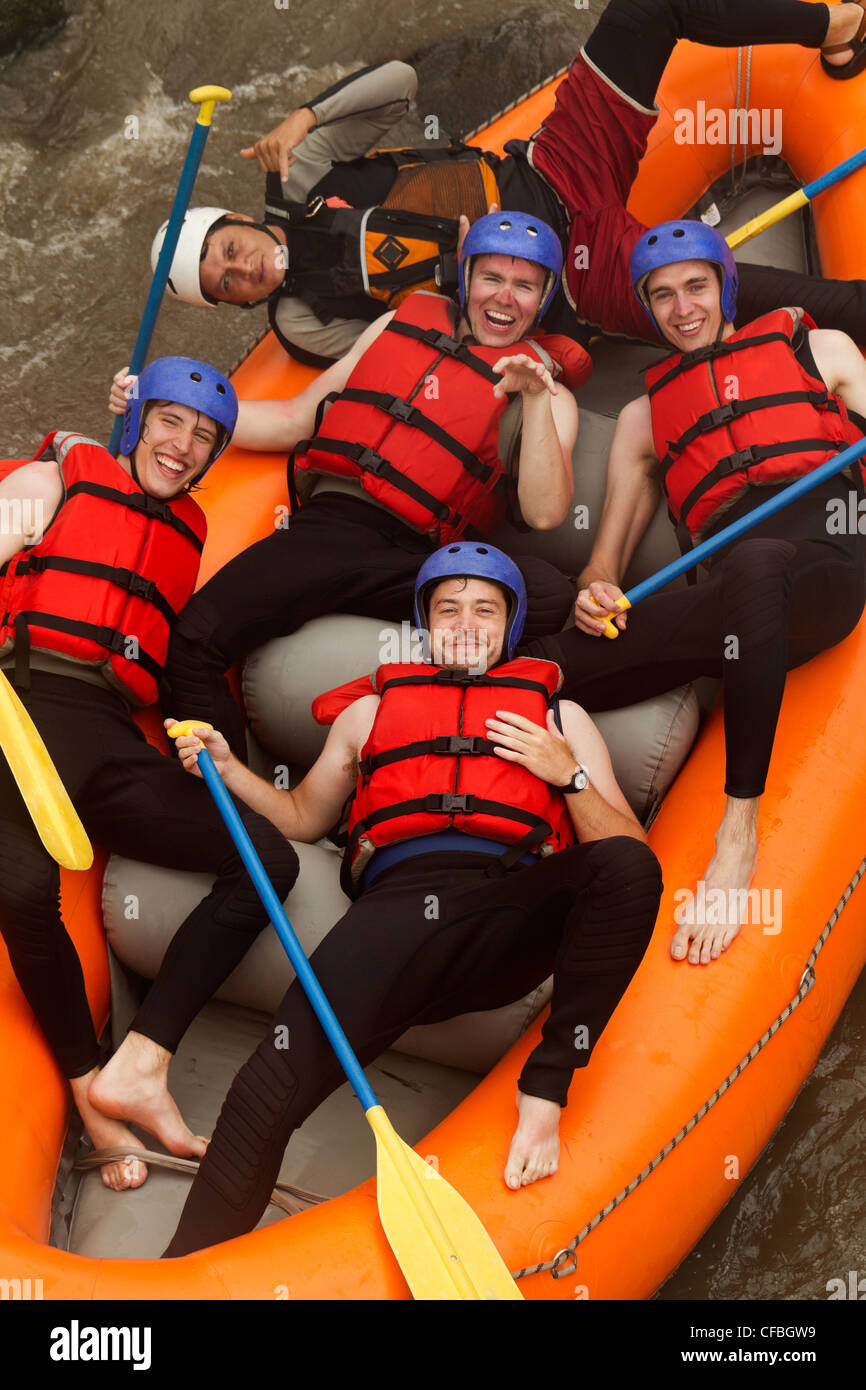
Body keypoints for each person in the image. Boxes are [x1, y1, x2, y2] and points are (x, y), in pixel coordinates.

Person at [161, 543, 663, 1255]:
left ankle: (545, 1090)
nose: (465, 622)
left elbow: (632, 857)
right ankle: (182, 1273)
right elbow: (302, 817)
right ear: (424, 623)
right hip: (395, 921)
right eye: (447, 608)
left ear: (509, 625)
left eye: (484, 609)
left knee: (624, 870)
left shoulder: (561, 718)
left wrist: (570, 775)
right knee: (265, 1090)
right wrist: (226, 766)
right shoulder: (368, 714)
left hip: (508, 912)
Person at [112, 211, 588, 760]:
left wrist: (531, 397)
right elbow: (295, 419)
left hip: (424, 561)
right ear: (466, 278)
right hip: (331, 530)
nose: (504, 299)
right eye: (491, 279)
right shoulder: (398, 324)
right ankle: (231, 803)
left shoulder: (548, 395)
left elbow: (547, 511)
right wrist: (157, 407)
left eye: (524, 286)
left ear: (544, 296)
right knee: (193, 639)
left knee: (547, 591)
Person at [151, 2, 866, 366]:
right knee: (787, 299)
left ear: (235, 221)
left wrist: (304, 116)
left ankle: (841, 22)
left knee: (648, 7)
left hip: (554, 162)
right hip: (564, 272)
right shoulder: (301, 322)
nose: (241, 268)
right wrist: (464, 286)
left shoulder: (299, 170)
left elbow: (400, 85)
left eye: (229, 248)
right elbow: (417, 352)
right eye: (224, 283)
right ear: (228, 304)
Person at [521, 219, 866, 966]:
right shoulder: (646, 417)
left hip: (826, 573)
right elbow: (604, 563)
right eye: (662, 296)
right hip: (734, 611)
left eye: (696, 288)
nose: (682, 309)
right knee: (539, 664)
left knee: (758, 564)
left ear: (727, 288)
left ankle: (735, 838)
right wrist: (595, 594)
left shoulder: (821, 351)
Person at [0, 358, 299, 1190]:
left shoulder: (190, 530)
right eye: (171, 423)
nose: (184, 447)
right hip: (17, 708)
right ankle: (87, 1093)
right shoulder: (64, 472)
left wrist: (206, 740)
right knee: (22, 892)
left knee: (266, 859)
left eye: (204, 437)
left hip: (105, 739)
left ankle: (144, 1057)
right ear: (138, 422)